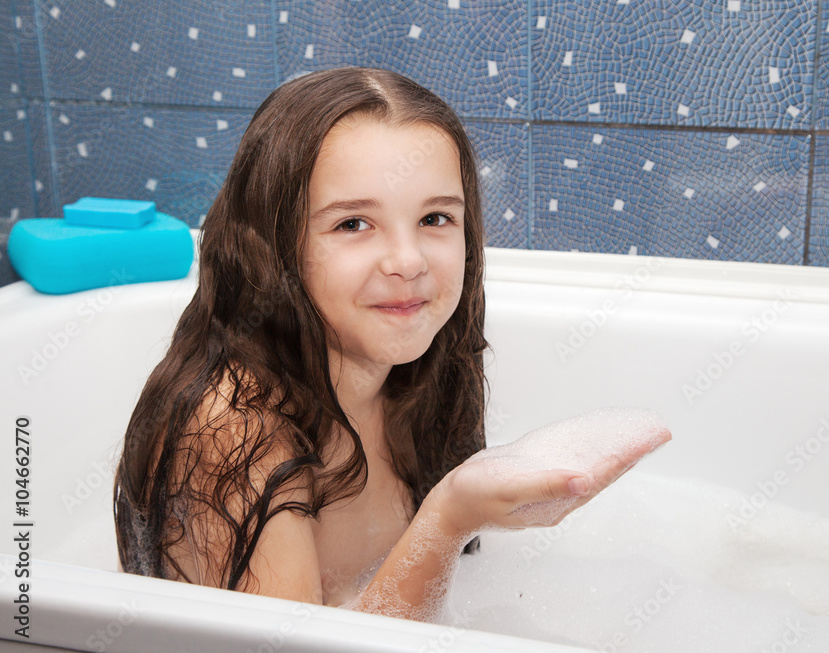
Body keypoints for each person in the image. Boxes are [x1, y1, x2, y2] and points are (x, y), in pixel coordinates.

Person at [113, 67, 666, 621]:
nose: (408, 261)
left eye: (435, 218)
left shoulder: (417, 374)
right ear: (275, 247)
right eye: (353, 223)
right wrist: (449, 517)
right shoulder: (231, 425)